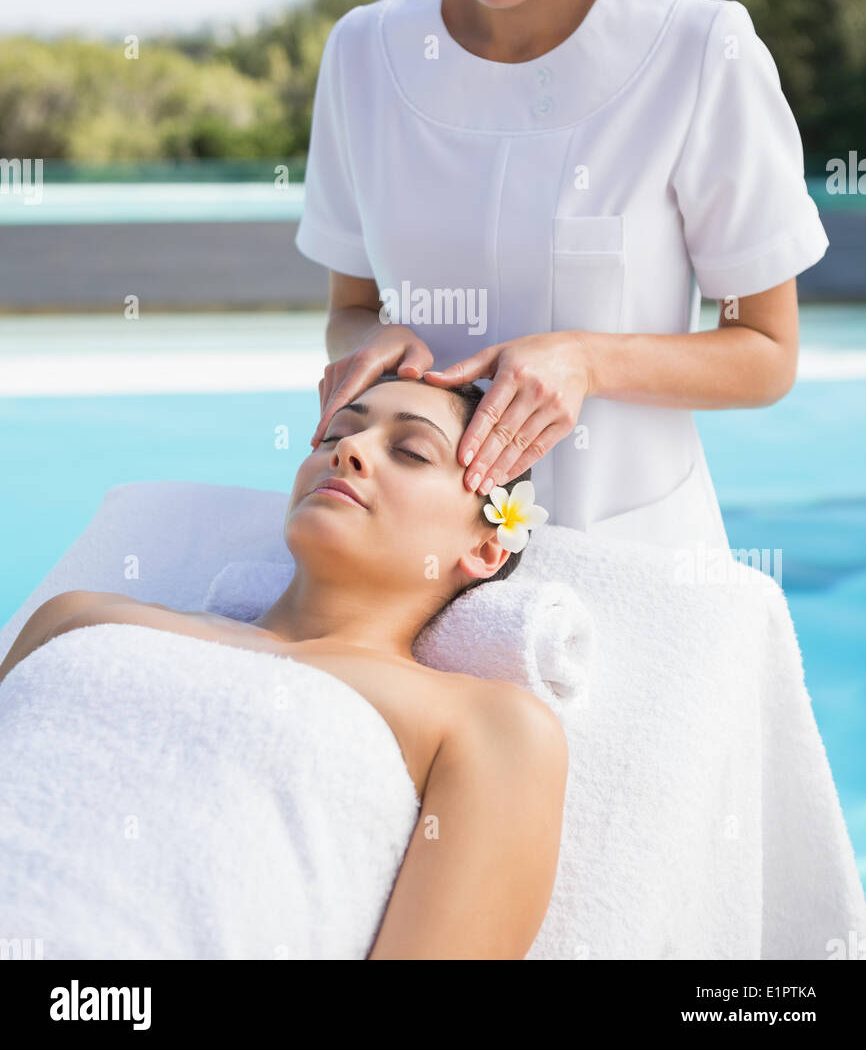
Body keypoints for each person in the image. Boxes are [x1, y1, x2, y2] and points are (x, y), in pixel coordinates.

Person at [294, 0, 829, 554]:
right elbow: (350, 308)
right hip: (424, 579)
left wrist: (589, 359)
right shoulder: (365, 54)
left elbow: (766, 350)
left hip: (637, 563)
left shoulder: (698, 52)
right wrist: (373, 341)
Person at [0, 373, 565, 961]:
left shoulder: (484, 724)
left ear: (486, 547)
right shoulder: (81, 617)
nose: (349, 450)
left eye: (411, 451)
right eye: (336, 435)